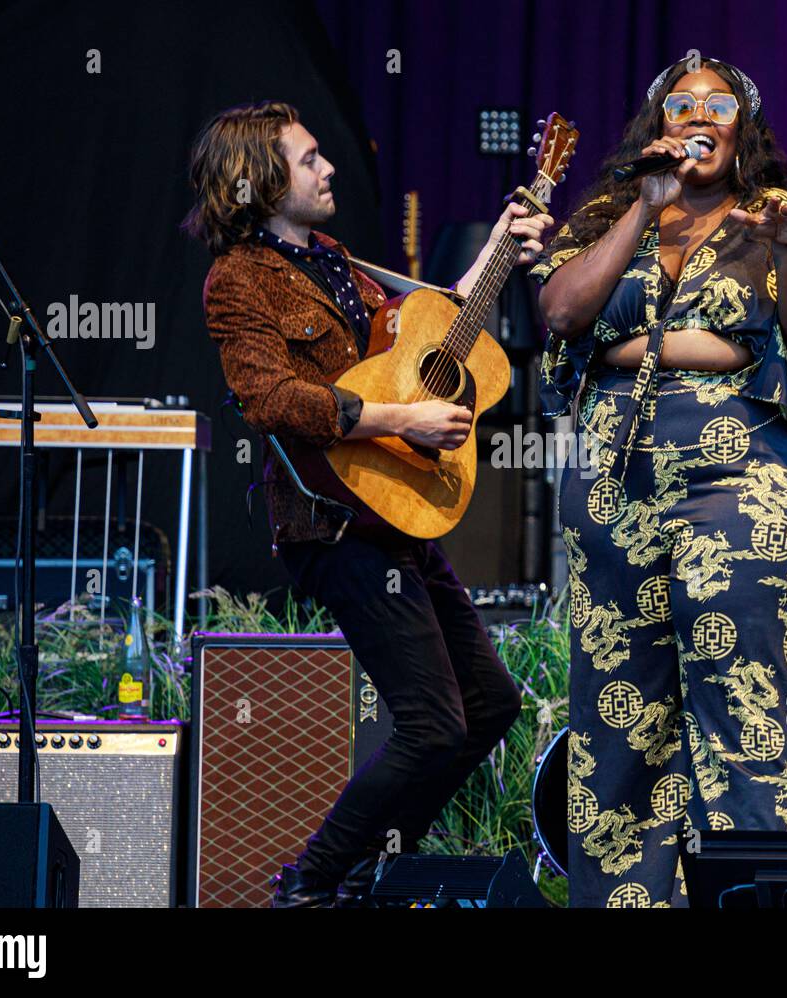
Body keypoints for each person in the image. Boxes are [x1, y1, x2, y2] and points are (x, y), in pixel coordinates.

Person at [184, 101, 551, 907]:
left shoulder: (336, 261)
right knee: (432, 724)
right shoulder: (239, 279)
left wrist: (497, 251)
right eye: (309, 158)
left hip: (396, 511)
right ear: (259, 180)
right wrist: (401, 419)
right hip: (333, 523)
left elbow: (425, 333)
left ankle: (367, 874)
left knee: (490, 702)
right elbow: (270, 400)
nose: (329, 168)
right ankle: (310, 883)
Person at [532, 57, 787, 908]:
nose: (700, 115)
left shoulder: (779, 226)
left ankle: (750, 899)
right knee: (617, 716)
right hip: (616, 487)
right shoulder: (611, 216)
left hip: (748, 485)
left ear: (745, 129)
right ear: (657, 125)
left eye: (721, 105)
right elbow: (565, 313)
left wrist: (785, 257)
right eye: (682, 104)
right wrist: (644, 213)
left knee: (742, 712)